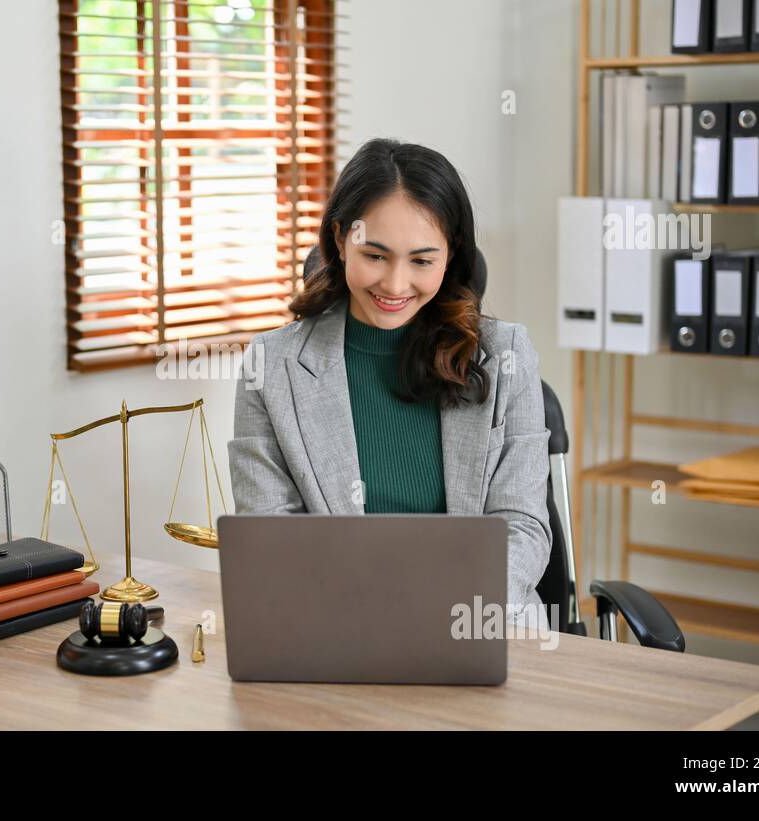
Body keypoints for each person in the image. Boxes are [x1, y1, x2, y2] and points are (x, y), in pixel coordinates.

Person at [228, 138, 551, 623]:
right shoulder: (271, 367)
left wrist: (445, 608)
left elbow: (523, 527)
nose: (396, 286)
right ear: (340, 240)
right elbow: (271, 536)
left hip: (478, 626)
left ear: (450, 254)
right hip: (335, 629)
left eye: (422, 261)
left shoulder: (507, 355)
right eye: (375, 256)